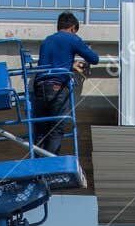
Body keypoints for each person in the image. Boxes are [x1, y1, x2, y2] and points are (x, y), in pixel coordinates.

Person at [32, 11, 99, 156]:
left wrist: (70, 64)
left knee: (40, 132)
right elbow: (94, 59)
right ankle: (50, 168)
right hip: (57, 88)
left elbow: (52, 62)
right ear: (73, 28)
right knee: (56, 129)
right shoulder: (72, 39)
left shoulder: (47, 40)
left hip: (39, 88)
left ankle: (38, 171)